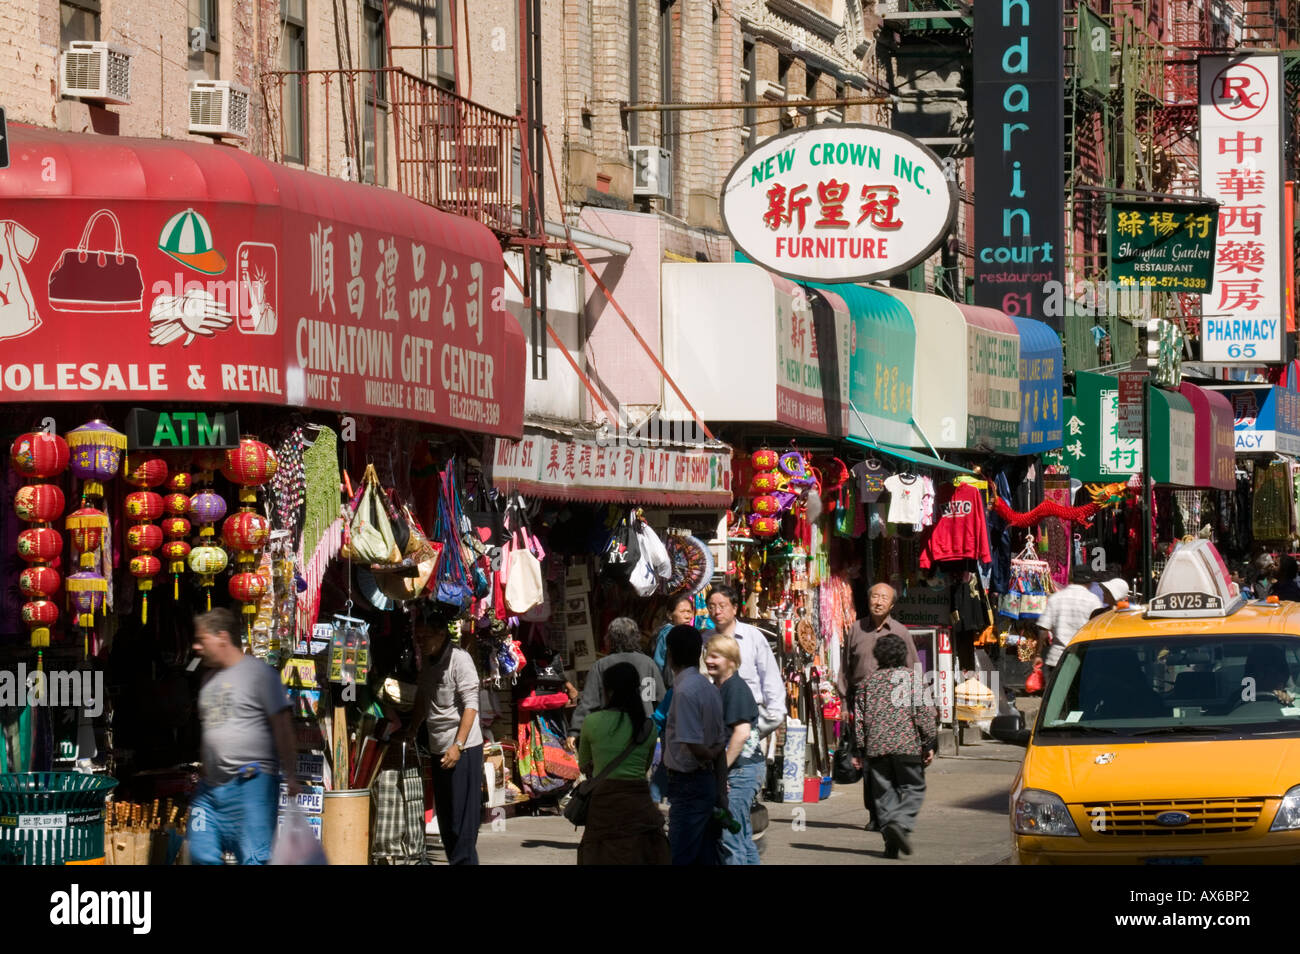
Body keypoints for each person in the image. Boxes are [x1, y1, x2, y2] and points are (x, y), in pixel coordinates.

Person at [189, 608, 298, 865]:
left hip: (251, 784)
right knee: (200, 853)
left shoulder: (260, 674)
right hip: (211, 790)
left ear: (222, 637)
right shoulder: (207, 680)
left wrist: (291, 774)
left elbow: (282, 727)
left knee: (254, 859)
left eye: (201, 640)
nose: (196, 647)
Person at [836, 582, 918, 832]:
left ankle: (889, 812)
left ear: (892, 604)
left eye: (884, 598)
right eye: (874, 596)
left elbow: (913, 670)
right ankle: (874, 813)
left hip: (891, 706)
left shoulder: (901, 632)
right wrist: (843, 702)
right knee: (868, 763)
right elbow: (845, 670)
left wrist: (912, 710)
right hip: (861, 704)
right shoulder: (856, 629)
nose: (878, 601)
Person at [407, 607, 483, 865]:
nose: (420, 642)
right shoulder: (427, 661)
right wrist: (411, 728)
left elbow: (471, 705)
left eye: (425, 637)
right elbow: (422, 698)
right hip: (439, 747)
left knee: (463, 822)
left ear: (441, 635)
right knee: (448, 820)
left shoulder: (460, 660)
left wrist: (458, 745)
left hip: (463, 749)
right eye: (417, 637)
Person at [850, 633, 937, 859]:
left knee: (884, 795)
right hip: (906, 746)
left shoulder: (867, 683)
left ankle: (890, 843)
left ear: (878, 656)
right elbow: (924, 714)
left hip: (876, 749)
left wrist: (860, 748)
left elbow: (858, 720)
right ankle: (900, 823)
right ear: (903, 655)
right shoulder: (912, 679)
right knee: (914, 788)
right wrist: (928, 741)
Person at [576, 662, 670, 865]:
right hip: (639, 804)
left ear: (607, 691)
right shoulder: (648, 727)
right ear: (637, 690)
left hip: (603, 807)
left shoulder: (591, 722)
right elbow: (644, 766)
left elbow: (584, 765)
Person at [663, 625, 725, 865]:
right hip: (701, 782)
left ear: (670, 654)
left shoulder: (686, 691)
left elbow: (694, 744)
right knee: (703, 855)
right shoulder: (707, 688)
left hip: (690, 782)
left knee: (680, 855)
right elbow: (716, 742)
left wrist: (709, 755)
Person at [705, 633, 761, 865]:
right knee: (742, 837)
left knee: (730, 839)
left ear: (730, 660)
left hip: (741, 770)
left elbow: (742, 733)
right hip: (738, 770)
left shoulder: (735, 688)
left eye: (715, 656)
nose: (709, 660)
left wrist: (721, 770)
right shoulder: (720, 688)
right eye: (708, 654)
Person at [569, 617, 665, 745]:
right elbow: (660, 701)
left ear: (611, 639)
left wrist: (575, 731)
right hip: (644, 734)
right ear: (636, 637)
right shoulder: (648, 663)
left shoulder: (601, 665)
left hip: (609, 734)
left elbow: (588, 704)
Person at [706, 584, 786, 738]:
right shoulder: (705, 640)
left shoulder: (752, 637)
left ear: (735, 608)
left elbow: (770, 677)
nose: (716, 612)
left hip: (750, 717)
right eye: (711, 607)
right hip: (714, 719)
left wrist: (773, 717)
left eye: (722, 606)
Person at [1036, 567, 1102, 672]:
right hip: (1082, 658)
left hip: (1057, 658)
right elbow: (1098, 630)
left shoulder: (1056, 597)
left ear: (1071, 580)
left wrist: (1038, 654)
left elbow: (1043, 628)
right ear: (1089, 583)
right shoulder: (1093, 600)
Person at [653, 594, 697, 684]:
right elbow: (658, 663)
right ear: (670, 615)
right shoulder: (667, 633)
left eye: (689, 611)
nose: (687, 616)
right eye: (682, 611)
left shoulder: (689, 634)